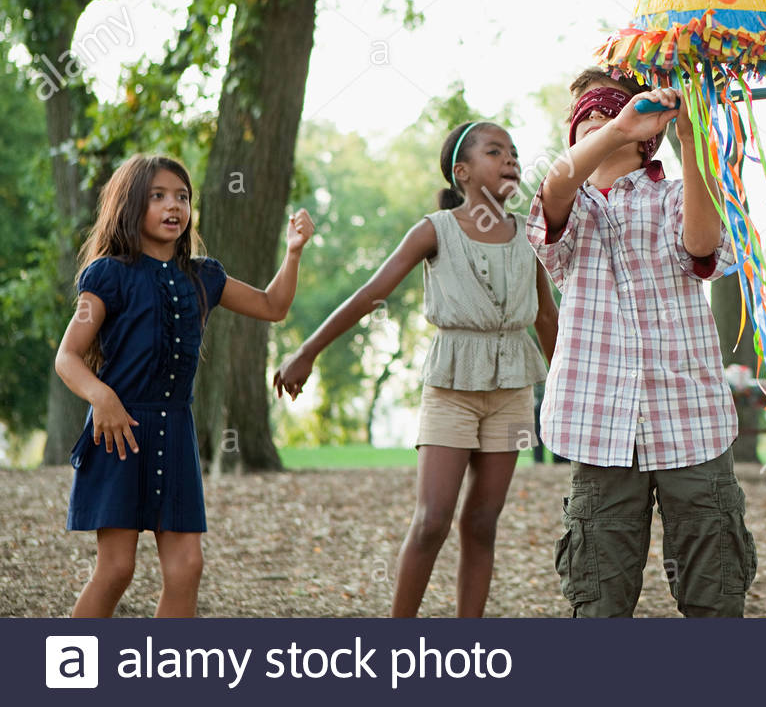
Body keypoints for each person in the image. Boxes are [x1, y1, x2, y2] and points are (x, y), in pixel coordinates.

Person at [275, 121, 557, 617]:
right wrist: (308, 350)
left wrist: (564, 391)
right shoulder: (435, 230)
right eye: (495, 152)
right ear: (462, 173)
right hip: (451, 385)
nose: (511, 160)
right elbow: (370, 294)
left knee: (483, 522)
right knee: (432, 521)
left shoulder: (530, 235)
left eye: (513, 151)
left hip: (513, 390)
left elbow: (547, 315)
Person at [527, 68, 757, 617]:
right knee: (599, 598)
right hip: (597, 426)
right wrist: (616, 127)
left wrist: (694, 144)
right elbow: (556, 187)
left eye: (613, 113)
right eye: (588, 120)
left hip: (692, 422)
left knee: (715, 592)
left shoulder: (675, 193)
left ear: (647, 134)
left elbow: (702, 247)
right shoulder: (572, 205)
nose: (601, 124)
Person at [55, 154, 314, 617]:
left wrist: (293, 251)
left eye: (182, 197)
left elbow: (273, 305)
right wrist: (102, 397)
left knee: (187, 568)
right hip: (118, 432)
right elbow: (68, 357)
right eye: (158, 196)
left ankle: (168, 679)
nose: (173, 206)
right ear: (131, 205)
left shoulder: (204, 276)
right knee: (116, 570)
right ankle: (65, 680)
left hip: (175, 433)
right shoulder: (107, 275)